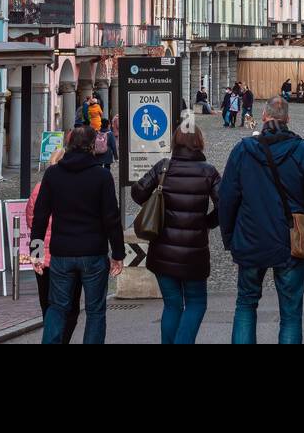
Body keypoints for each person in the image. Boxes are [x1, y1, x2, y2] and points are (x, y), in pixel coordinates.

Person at [219, 96, 304, 344]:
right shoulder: (303, 150)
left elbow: (226, 197)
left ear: (263, 117)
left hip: (251, 238)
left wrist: (230, 239)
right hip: (289, 238)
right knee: (291, 314)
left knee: (246, 304)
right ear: (288, 119)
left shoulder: (242, 150)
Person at [30, 125, 124, 344]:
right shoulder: (101, 176)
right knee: (95, 311)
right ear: (92, 147)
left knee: (57, 307)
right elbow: (112, 218)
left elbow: (40, 216)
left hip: (62, 252)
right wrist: (118, 254)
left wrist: (36, 252)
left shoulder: (53, 174)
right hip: (93, 252)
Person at [130, 124, 220, 344]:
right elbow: (225, 206)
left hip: (163, 250)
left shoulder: (164, 168)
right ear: (199, 142)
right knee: (196, 302)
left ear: (175, 143)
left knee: (172, 304)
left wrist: (154, 201)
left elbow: (138, 193)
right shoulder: (208, 171)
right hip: (194, 253)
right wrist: (207, 222)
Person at [25, 145, 80, 343]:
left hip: (43, 255)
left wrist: (36, 254)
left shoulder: (39, 187)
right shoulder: (73, 186)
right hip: (65, 253)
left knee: (48, 304)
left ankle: (51, 338)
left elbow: (31, 221)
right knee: (70, 306)